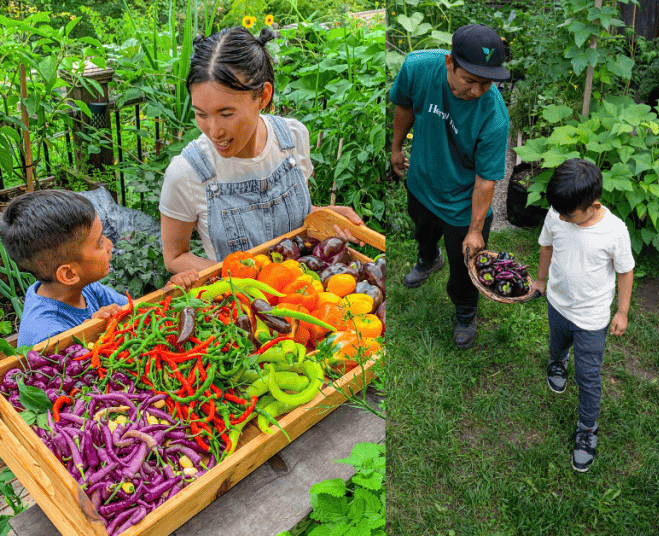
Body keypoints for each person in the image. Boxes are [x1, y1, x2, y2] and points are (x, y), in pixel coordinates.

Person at [160, 26, 364, 274]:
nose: (213, 131)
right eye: (201, 114)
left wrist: (323, 216)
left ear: (263, 96)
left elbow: (286, 216)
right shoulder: (186, 172)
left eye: (226, 114)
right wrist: (240, 279)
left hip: (306, 292)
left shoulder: (293, 139)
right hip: (243, 304)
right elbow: (175, 257)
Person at [389, 23, 512, 350]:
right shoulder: (418, 67)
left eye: (486, 84)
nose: (477, 91)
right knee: (422, 231)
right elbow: (404, 106)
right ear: (449, 64)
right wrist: (397, 148)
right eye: (470, 81)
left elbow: (487, 181)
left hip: (462, 204)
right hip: (422, 184)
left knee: (465, 266)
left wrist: (475, 230)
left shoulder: (494, 116)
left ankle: (465, 310)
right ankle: (428, 259)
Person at [527, 159, 635, 472]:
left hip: (592, 319)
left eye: (567, 214)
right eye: (557, 212)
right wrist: (540, 279)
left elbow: (625, 271)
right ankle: (557, 361)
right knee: (557, 342)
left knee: (588, 376)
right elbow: (546, 247)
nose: (560, 218)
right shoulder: (558, 214)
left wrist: (623, 311)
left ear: (593, 205)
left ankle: (587, 429)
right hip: (558, 304)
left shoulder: (614, 232)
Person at [0, 190, 199, 347]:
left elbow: (139, 312)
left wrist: (170, 293)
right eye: (99, 243)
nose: (111, 243)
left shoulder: (83, 288)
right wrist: (92, 333)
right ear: (69, 274)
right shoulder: (47, 337)